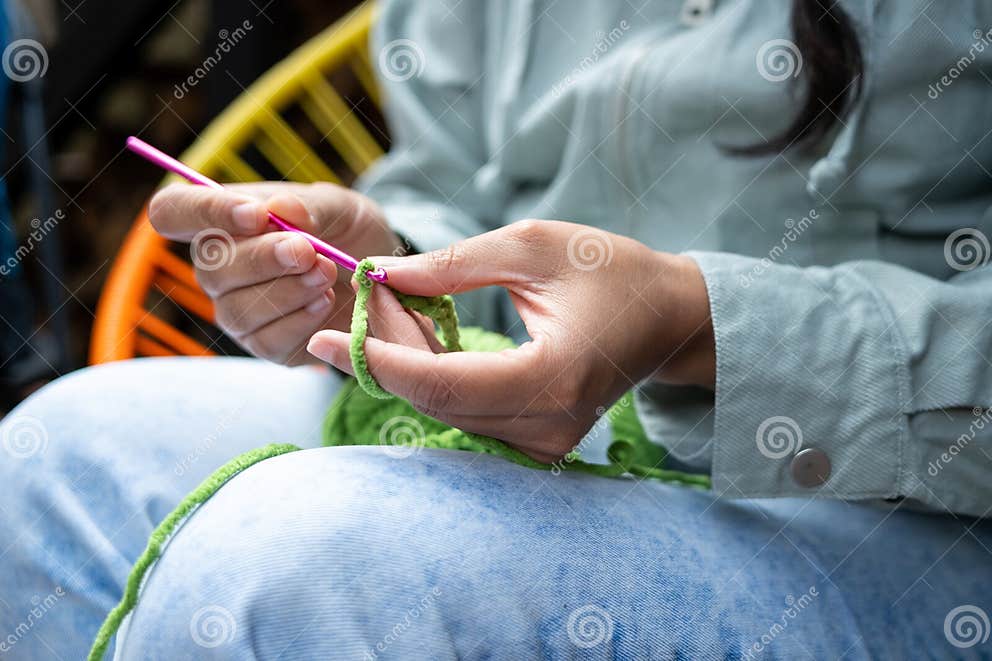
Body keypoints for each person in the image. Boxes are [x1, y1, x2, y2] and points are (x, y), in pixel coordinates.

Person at [3, 0, 991, 658]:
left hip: (913, 511)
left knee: (293, 562)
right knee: (50, 456)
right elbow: (451, 191)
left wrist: (697, 326)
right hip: (576, 431)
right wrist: (391, 262)